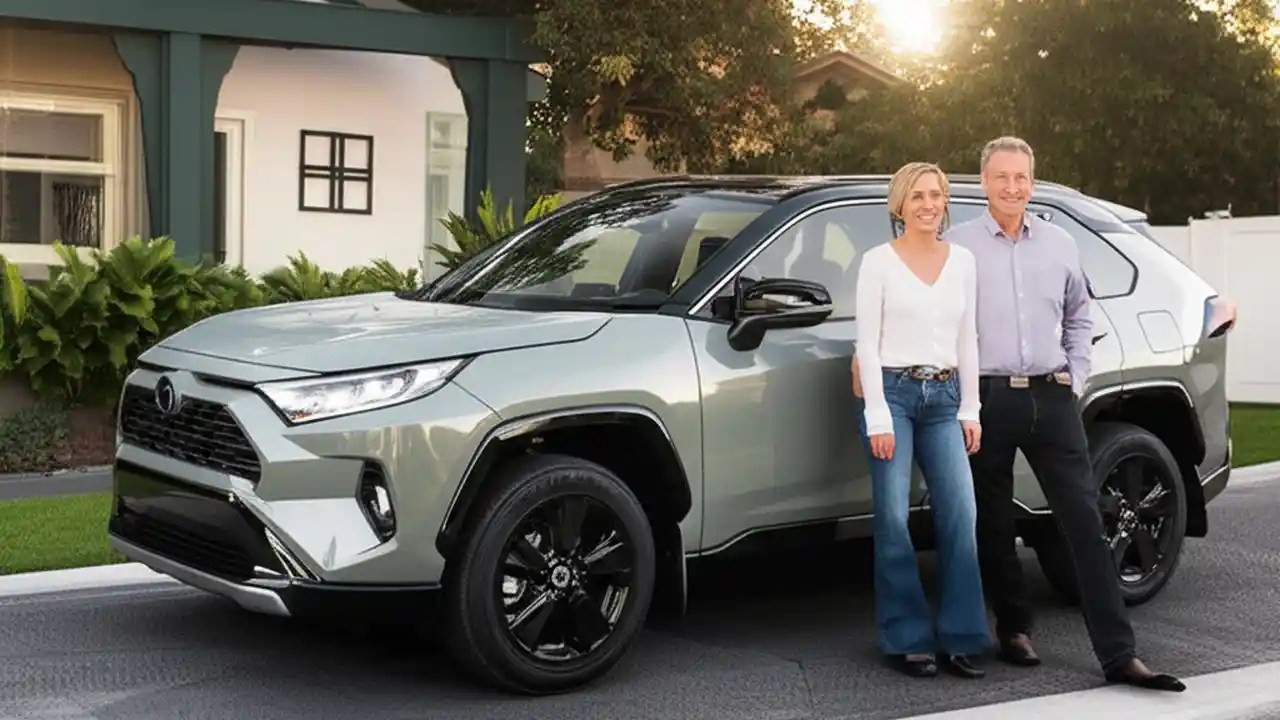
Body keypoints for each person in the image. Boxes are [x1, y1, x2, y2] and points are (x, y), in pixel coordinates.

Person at [945, 135, 1185, 692]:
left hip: (1052, 398)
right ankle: (1014, 628)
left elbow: (1081, 315)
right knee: (993, 523)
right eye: (1001, 177)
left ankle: (1120, 655)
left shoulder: (1059, 244)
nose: (1012, 187)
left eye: (1021, 178)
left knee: (1084, 520)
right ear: (983, 183)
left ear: (1031, 182)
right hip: (987, 398)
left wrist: (1075, 377)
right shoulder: (958, 247)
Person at [852, 161, 990, 680]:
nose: (929, 205)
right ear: (900, 205)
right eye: (918, 197)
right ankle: (907, 637)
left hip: (946, 399)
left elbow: (967, 338)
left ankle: (962, 636)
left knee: (960, 513)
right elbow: (867, 344)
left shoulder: (963, 262)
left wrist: (971, 407)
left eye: (936, 195)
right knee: (893, 517)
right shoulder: (877, 263)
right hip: (893, 395)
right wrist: (876, 416)